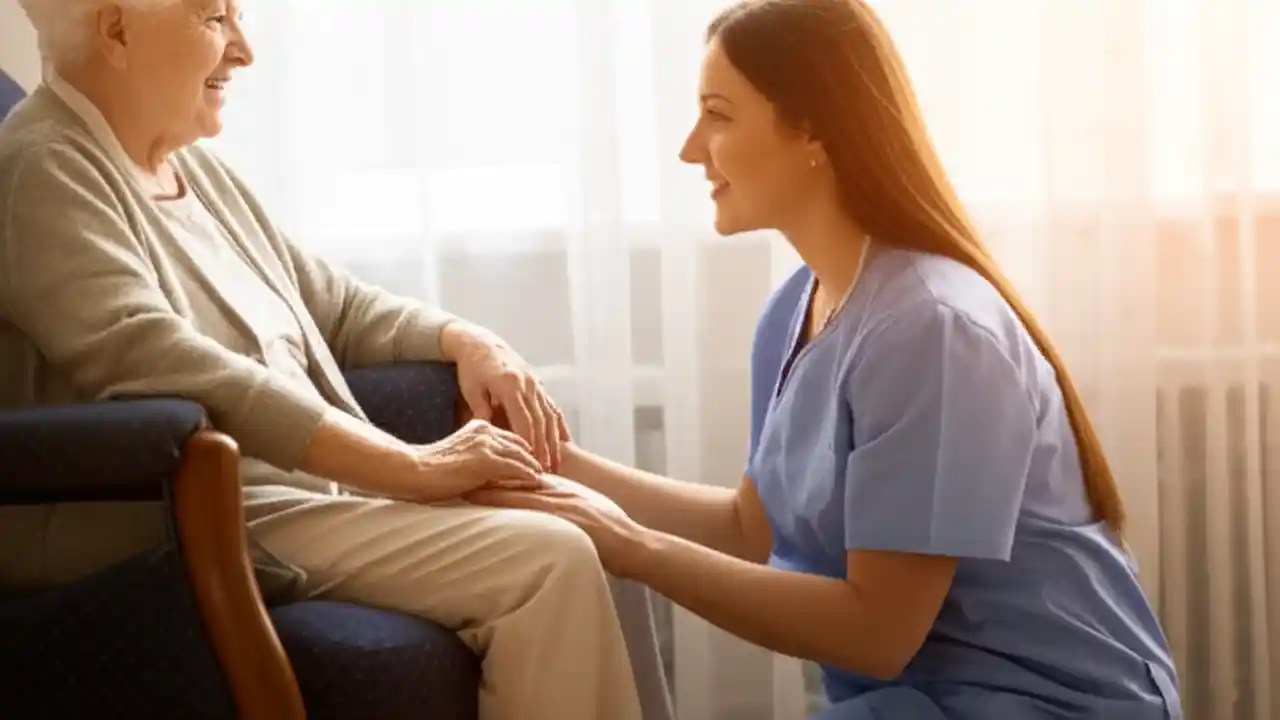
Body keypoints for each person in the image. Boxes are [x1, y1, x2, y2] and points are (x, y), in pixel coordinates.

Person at [466, 1, 1183, 718]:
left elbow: (877, 632)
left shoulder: (931, 329)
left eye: (718, 114)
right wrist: (544, 459)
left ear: (811, 127)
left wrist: (628, 546)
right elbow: (751, 528)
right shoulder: (795, 309)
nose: (690, 149)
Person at [0, 2, 674, 719]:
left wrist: (468, 341)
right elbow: (151, 357)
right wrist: (408, 468)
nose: (244, 50)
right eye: (214, 17)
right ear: (116, 31)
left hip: (289, 503)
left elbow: (338, 307)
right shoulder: (44, 168)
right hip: (179, 517)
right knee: (549, 561)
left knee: (588, 524)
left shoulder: (195, 172)